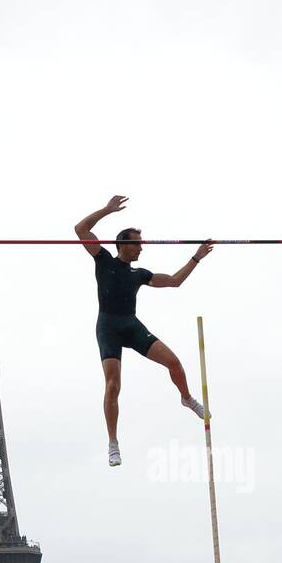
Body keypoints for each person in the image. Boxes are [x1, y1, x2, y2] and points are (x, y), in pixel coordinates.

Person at [74, 195, 213, 466]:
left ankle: (186, 399)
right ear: (123, 244)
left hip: (131, 325)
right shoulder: (103, 260)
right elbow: (80, 230)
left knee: (174, 363)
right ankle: (113, 443)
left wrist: (196, 256)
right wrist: (108, 210)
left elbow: (174, 281)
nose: (141, 248)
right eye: (137, 243)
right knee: (113, 385)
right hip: (108, 327)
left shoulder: (139, 274)